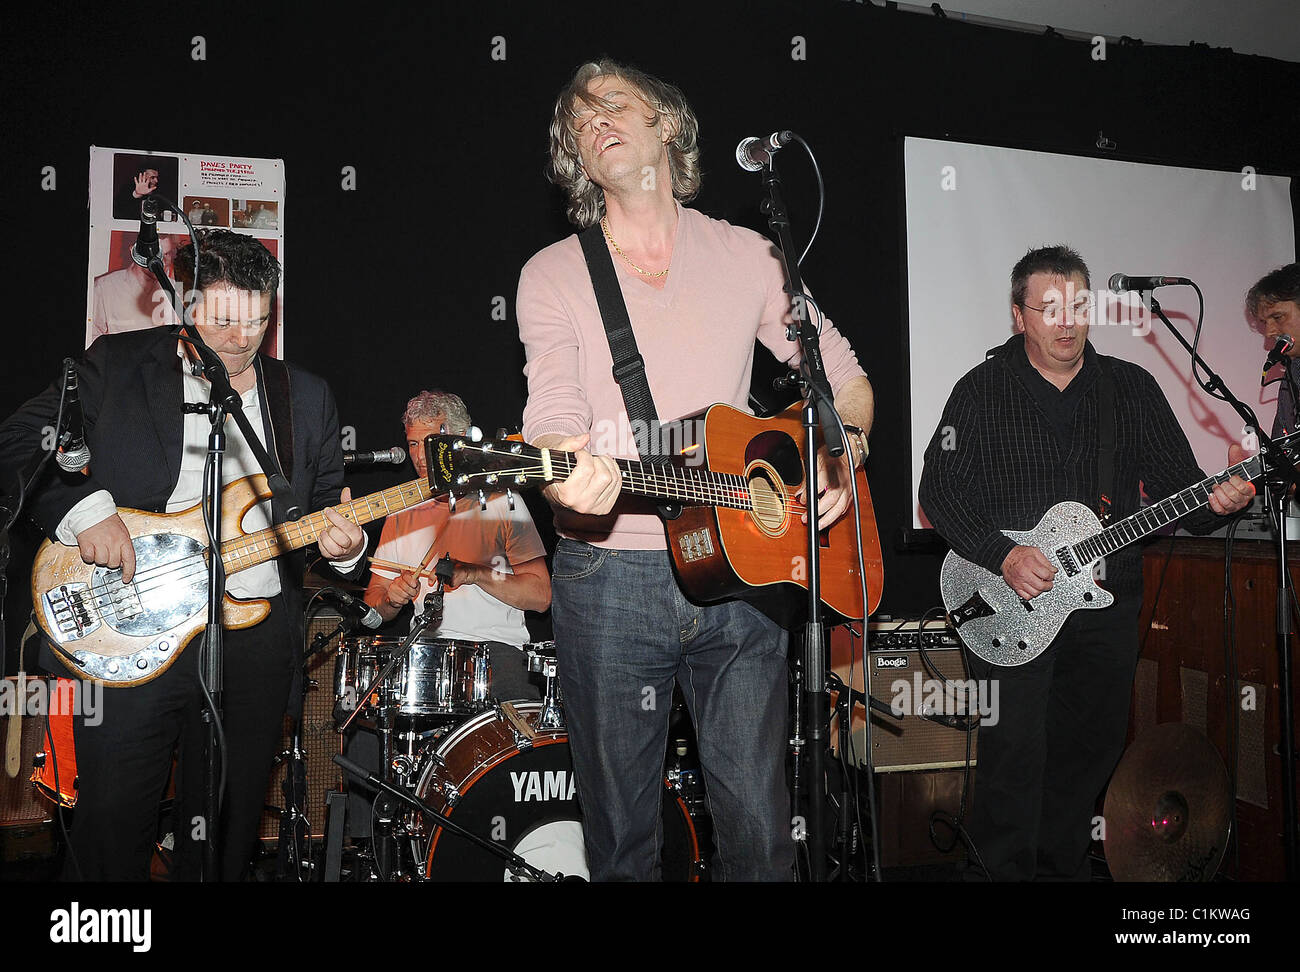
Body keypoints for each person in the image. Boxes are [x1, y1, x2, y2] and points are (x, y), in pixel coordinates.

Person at [515, 59, 873, 881]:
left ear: (667, 124)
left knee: (759, 830)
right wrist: (567, 472)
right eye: (578, 119)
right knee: (623, 840)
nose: (592, 120)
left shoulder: (748, 253)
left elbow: (844, 379)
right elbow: (555, 410)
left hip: (745, 571)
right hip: (609, 580)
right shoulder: (554, 272)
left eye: (614, 103)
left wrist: (839, 449)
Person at [0, 228, 367, 881]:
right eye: (221, 320)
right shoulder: (114, 364)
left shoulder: (305, 399)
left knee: (225, 834)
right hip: (125, 623)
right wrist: (88, 511)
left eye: (256, 321)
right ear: (185, 305)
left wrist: (346, 550)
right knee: (112, 824)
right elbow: (24, 440)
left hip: (252, 643)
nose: (240, 338)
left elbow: (319, 515)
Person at [918, 244, 1254, 881]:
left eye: (1077, 304)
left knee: (1086, 759)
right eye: (1048, 307)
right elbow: (938, 489)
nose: (1066, 320)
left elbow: (1183, 492)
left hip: (1105, 606)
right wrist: (1003, 554)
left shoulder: (1131, 388)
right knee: (1013, 758)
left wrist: (1223, 500)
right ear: (1019, 316)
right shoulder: (980, 390)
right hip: (1003, 603)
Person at [362, 390, 551, 702]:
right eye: (412, 444)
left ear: (460, 440)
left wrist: (477, 573)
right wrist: (390, 599)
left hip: (497, 652)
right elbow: (374, 602)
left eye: (429, 444)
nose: (420, 457)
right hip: (426, 656)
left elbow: (541, 596)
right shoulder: (400, 510)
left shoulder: (502, 500)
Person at [1250, 263, 1300, 437]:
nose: (1270, 332)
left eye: (1278, 317)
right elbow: (1283, 446)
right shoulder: (1293, 372)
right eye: (1265, 323)